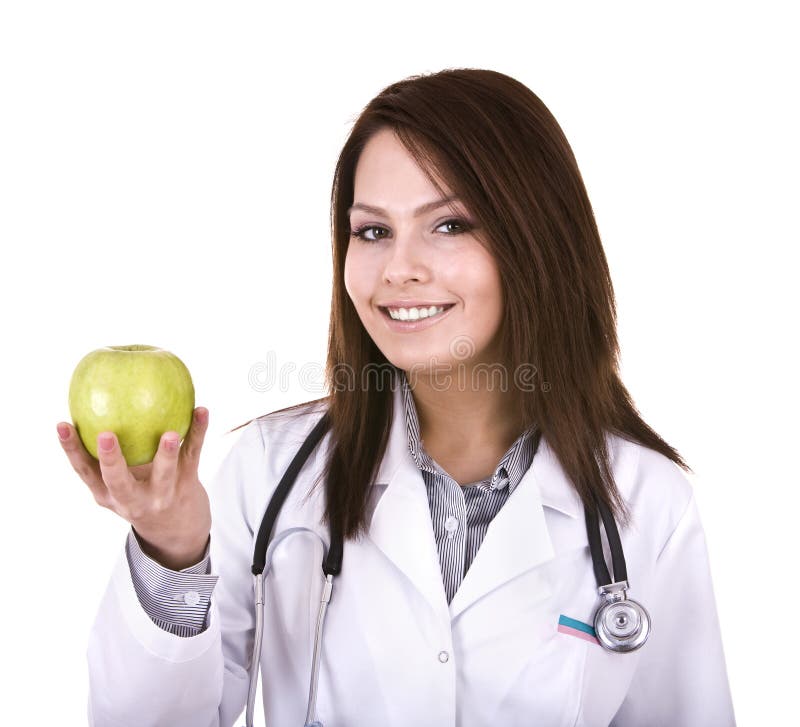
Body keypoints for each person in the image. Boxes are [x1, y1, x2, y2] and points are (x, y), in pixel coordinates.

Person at [58, 68, 736, 726]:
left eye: (448, 225)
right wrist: (171, 549)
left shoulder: (647, 501)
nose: (398, 268)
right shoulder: (271, 471)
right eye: (373, 231)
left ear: (536, 240)